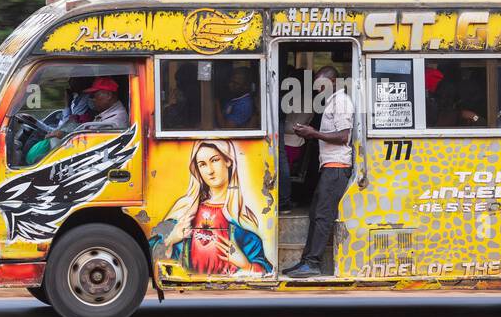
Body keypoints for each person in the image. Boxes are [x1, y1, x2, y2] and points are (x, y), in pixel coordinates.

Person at [151, 140, 271, 275]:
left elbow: (265, 270)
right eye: (202, 165)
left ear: (228, 161)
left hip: (228, 291)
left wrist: (246, 266)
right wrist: (171, 240)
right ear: (197, 169)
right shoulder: (186, 208)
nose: (210, 170)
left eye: (214, 160)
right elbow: (154, 255)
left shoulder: (242, 217)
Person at [283, 65, 354, 278]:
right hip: (330, 167)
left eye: (320, 84)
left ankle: (313, 263)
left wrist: (313, 133)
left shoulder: (341, 102)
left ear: (332, 82)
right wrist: (311, 134)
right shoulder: (333, 101)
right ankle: (306, 261)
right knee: (315, 214)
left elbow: (343, 137)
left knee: (323, 216)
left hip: (337, 168)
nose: (317, 88)